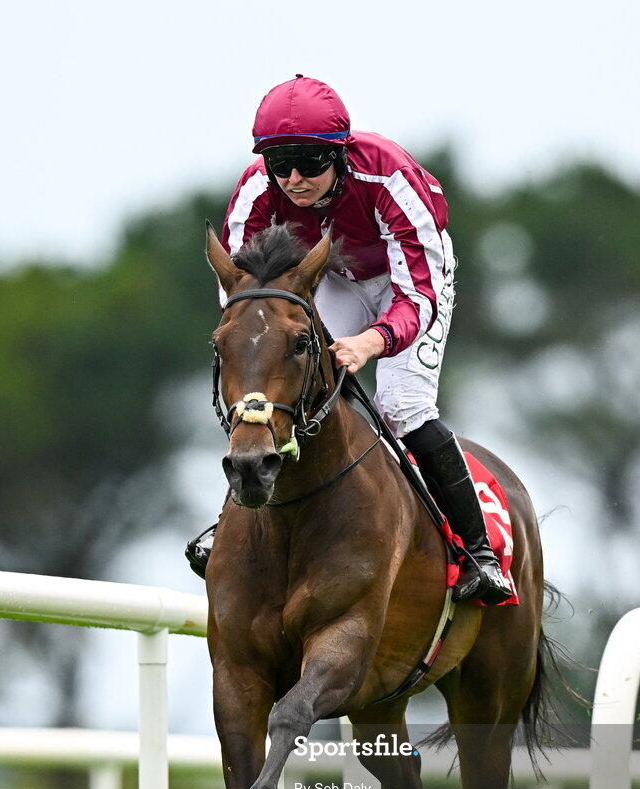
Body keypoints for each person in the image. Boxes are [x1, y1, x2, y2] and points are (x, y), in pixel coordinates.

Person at [187, 75, 512, 605]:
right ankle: (234, 517)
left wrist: (372, 342)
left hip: (409, 283)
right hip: (331, 277)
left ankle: (479, 553)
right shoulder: (256, 190)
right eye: (279, 164)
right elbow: (242, 299)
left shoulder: (388, 177)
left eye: (311, 163)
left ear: (340, 153)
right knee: (278, 392)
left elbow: (417, 299)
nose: (293, 179)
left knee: (401, 405)